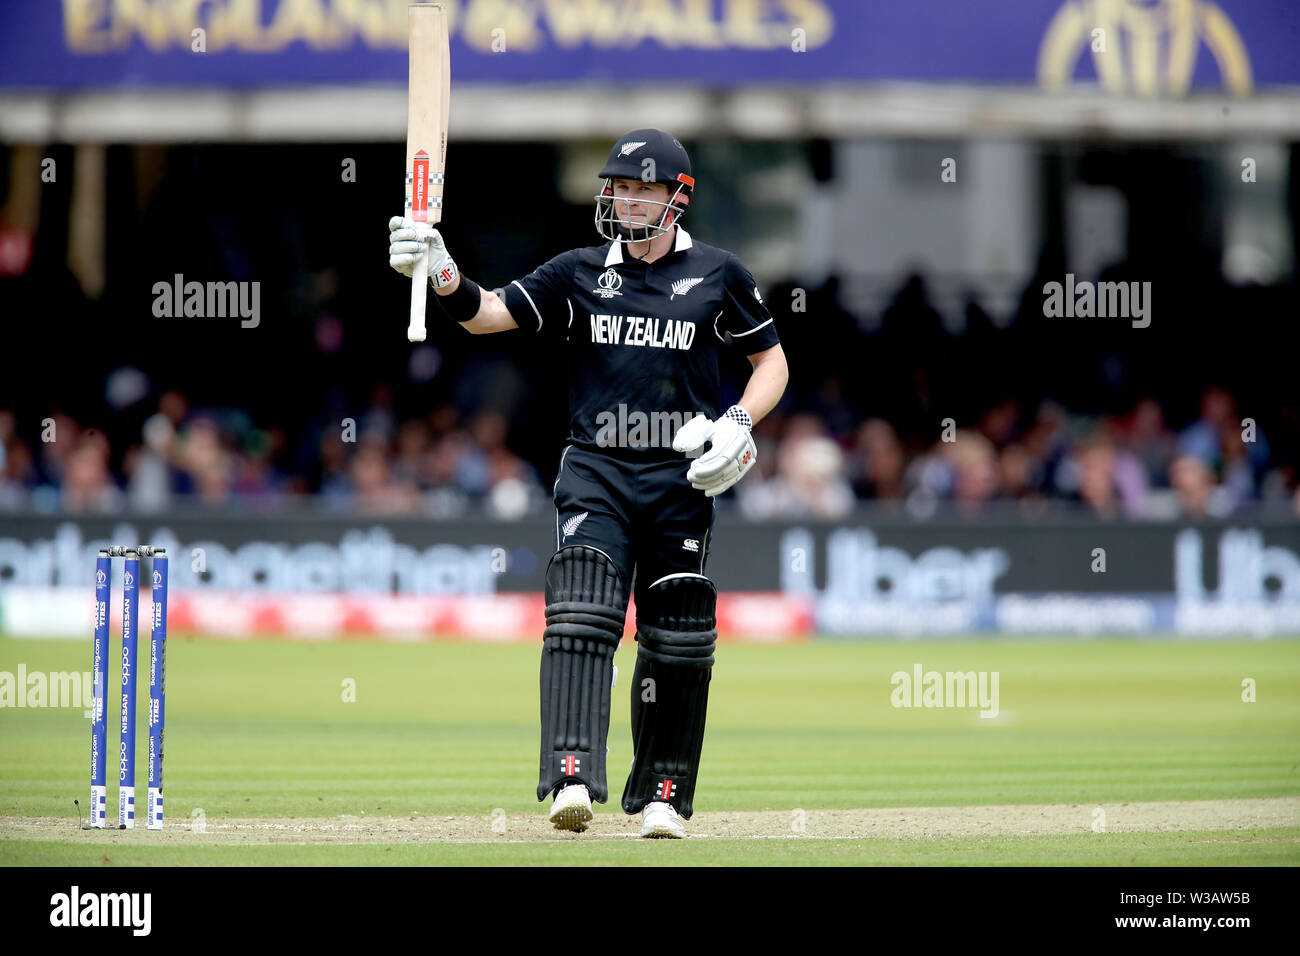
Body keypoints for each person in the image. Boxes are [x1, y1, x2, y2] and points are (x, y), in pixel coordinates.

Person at [388, 129, 789, 838]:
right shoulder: (578, 271)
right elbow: (488, 314)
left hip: (681, 476)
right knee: (581, 608)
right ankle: (571, 779)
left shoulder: (720, 274)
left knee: (679, 632)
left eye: (641, 188)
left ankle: (663, 793)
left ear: (676, 197)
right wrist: (443, 269)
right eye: (619, 187)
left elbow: (772, 365)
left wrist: (737, 422)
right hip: (596, 470)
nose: (626, 200)